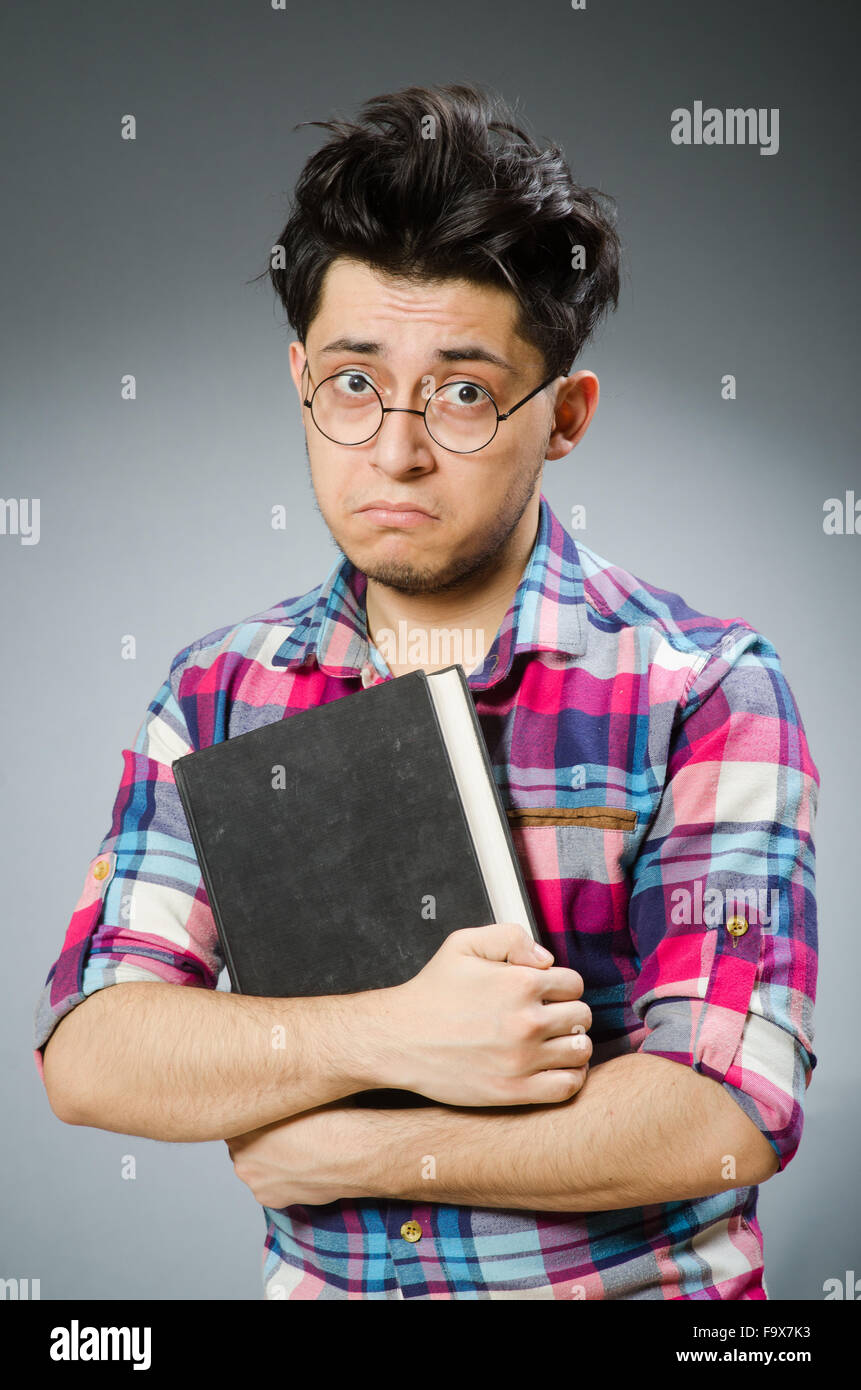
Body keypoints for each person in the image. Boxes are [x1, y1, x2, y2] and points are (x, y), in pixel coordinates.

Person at [34, 82, 819, 1300]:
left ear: (564, 415)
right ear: (301, 378)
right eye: (354, 383)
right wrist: (393, 1032)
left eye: (462, 392)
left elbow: (729, 1110)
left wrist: (362, 1145)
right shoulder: (220, 689)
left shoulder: (704, 685)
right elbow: (95, 1049)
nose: (395, 449)